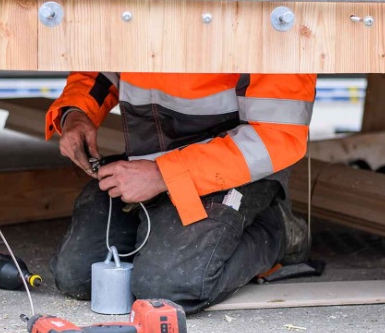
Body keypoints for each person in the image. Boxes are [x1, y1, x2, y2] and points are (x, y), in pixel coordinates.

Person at [46, 72, 316, 314]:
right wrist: (77, 112)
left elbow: (278, 135)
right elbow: (102, 67)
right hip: (148, 163)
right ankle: (167, 223)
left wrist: (164, 174)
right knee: (78, 276)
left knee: (168, 289)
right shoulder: (130, 16)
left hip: (234, 172)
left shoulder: (264, 21)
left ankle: (278, 230)